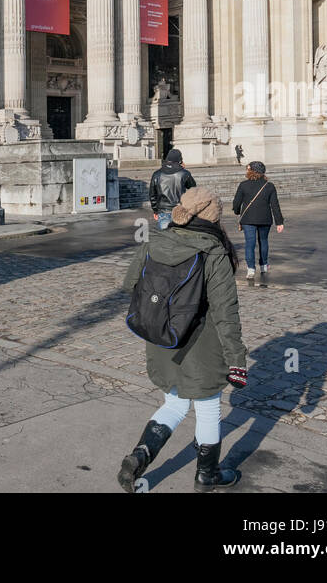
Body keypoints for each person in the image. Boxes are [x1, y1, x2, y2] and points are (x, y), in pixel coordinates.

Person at [118, 186, 247, 492]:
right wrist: (237, 360)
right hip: (202, 346)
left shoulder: (154, 240)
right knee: (207, 409)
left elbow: (129, 285)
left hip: (163, 338)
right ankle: (207, 475)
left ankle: (139, 457)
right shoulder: (213, 251)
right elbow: (225, 312)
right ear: (213, 217)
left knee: (174, 404)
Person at [232, 161, 284, 285]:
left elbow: (236, 203)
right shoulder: (269, 186)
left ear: (251, 171)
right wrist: (279, 222)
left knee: (250, 243)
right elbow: (275, 205)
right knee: (263, 241)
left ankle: (251, 269)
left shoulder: (243, 185)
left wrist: (237, 211)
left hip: (248, 219)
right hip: (265, 218)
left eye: (247, 169)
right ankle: (264, 265)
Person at [149, 148, 195, 230]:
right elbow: (193, 188)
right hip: (180, 210)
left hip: (163, 211)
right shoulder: (184, 173)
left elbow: (152, 195)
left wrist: (155, 211)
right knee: (180, 238)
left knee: (165, 239)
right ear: (180, 160)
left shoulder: (157, 174)